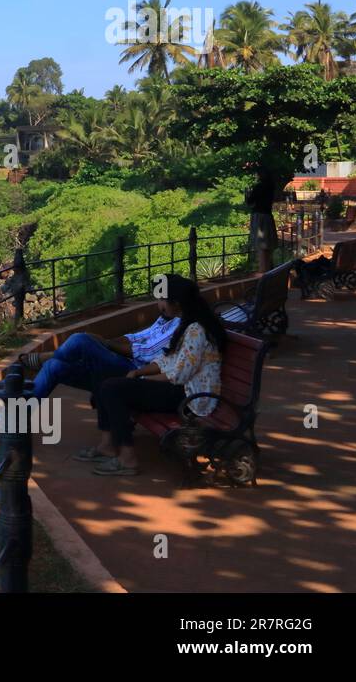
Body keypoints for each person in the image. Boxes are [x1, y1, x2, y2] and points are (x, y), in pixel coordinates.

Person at [80, 274, 225, 477]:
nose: (160, 304)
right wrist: (138, 372)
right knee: (106, 379)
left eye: (163, 300)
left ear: (176, 303)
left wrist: (141, 380)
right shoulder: (188, 324)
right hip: (179, 389)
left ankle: (127, 459)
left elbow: (179, 375)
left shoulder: (195, 330)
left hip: (190, 398)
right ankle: (107, 445)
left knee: (112, 388)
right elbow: (167, 360)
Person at [23, 313, 180, 400]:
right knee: (53, 366)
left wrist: (105, 344)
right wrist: (102, 342)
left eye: (162, 299)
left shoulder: (178, 327)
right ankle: (19, 421)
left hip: (135, 370)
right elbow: (135, 337)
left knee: (80, 340)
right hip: (124, 363)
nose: (159, 303)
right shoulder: (164, 320)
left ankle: (49, 356)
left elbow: (145, 353)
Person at [246, 165, 279, 274]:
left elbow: (249, 201)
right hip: (268, 216)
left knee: (261, 245)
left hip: (259, 217)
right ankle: (268, 269)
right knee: (267, 244)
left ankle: (263, 271)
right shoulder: (271, 187)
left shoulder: (258, 187)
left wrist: (247, 194)